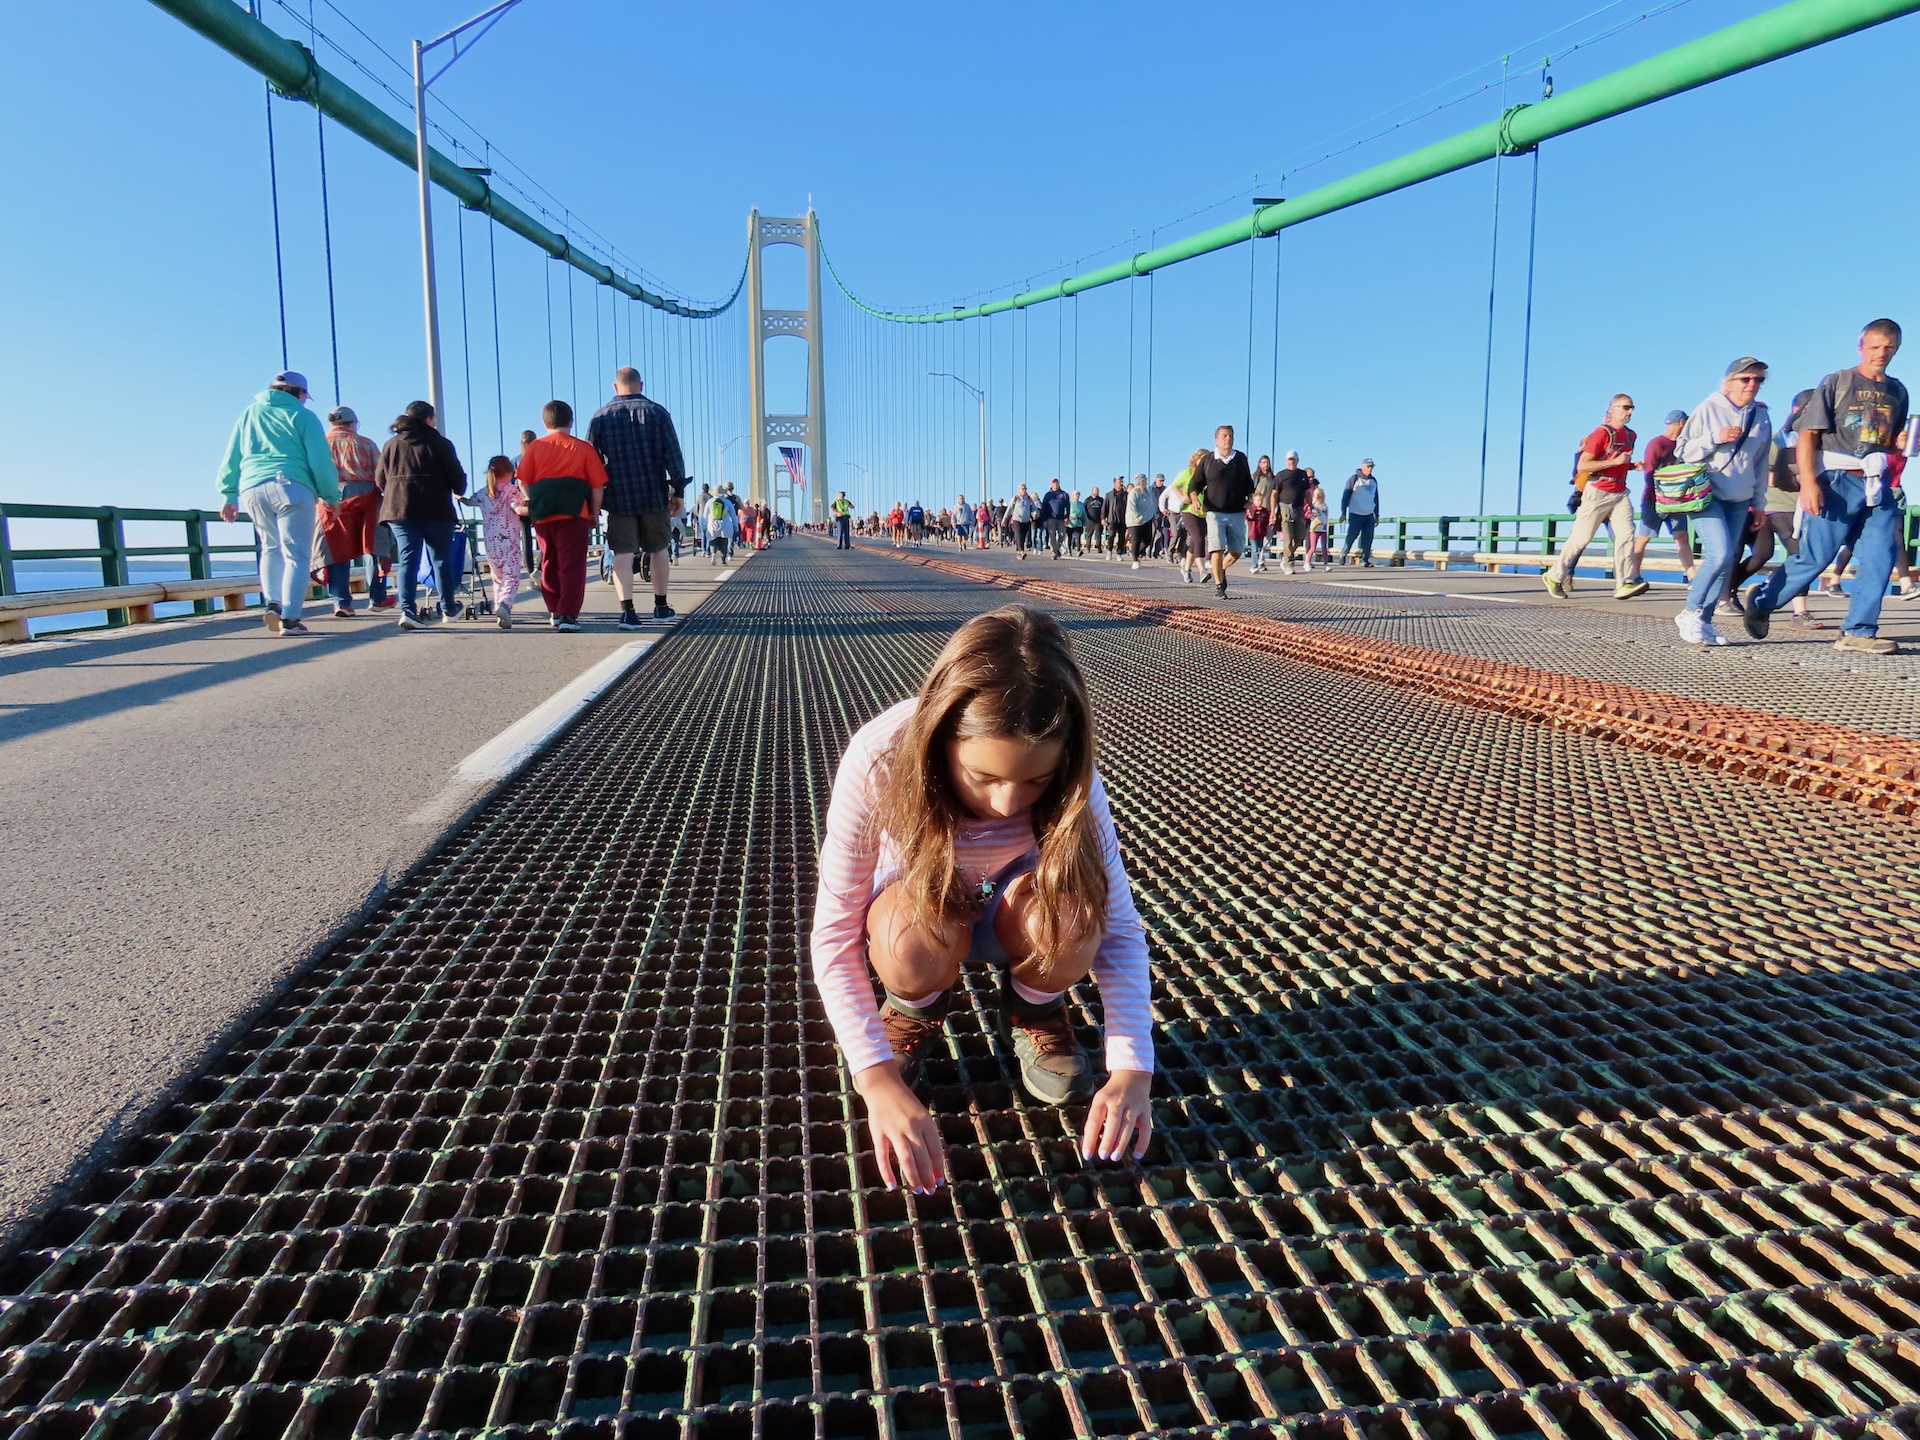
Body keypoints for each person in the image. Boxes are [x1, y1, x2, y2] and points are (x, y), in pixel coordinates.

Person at [810, 606, 1154, 1189]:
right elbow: (834, 934)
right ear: (941, 735)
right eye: (983, 777)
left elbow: (1119, 930)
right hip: (925, 919)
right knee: (908, 943)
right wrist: (876, 1082)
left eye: (1035, 782)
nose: (1005, 803)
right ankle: (916, 1007)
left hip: (1019, 915)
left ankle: (1034, 1005)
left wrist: (1132, 1074)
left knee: (1074, 917)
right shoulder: (880, 759)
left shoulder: (1078, 780)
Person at [1745, 320, 1909, 653]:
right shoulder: (1838, 381)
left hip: (1877, 486)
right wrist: (1809, 483)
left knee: (1880, 557)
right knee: (1814, 558)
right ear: (1861, 347)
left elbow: (1888, 443)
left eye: (1888, 347)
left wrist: (1900, 442)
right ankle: (1763, 601)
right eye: (1874, 346)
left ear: (1896, 349)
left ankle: (1858, 632)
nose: (1881, 353)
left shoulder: (1898, 391)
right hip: (1837, 481)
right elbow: (1809, 435)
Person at [216, 370, 340, 636]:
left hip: (253, 488)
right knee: (296, 555)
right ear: (300, 393)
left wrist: (228, 494)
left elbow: (232, 454)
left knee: (270, 548)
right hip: (292, 486)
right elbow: (320, 460)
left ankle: (273, 601)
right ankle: (291, 619)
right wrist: (330, 496)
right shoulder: (303, 416)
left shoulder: (249, 413)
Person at [1669, 359, 1771, 646]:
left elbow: (1761, 463)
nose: (1752, 385)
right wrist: (1716, 437)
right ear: (1730, 382)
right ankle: (1689, 612)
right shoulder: (1708, 408)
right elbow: (1684, 450)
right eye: (1745, 379)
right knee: (1720, 552)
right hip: (1707, 493)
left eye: (1758, 380)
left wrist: (1760, 502)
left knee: (1727, 560)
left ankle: (1705, 620)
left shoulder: (1761, 416)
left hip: (1740, 497)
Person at [586, 370, 687, 626]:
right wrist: (678, 492)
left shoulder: (600, 417)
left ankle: (628, 612)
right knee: (659, 549)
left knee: (622, 553)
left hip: (619, 498)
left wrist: (594, 503)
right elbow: (673, 456)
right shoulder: (658, 413)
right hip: (654, 494)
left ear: (614, 386)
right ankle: (661, 607)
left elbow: (591, 464)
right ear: (641, 385)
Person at [375, 400, 469, 631]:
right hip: (436, 510)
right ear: (429, 419)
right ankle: (449, 607)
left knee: (408, 559)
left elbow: (379, 480)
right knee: (440, 559)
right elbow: (458, 483)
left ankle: (408, 610)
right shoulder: (440, 443)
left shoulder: (391, 444)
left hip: (399, 509)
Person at [518, 400, 608, 632]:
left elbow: (522, 481)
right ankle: (568, 614)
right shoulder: (584, 448)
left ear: (544, 422)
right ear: (571, 420)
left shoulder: (535, 448)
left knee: (549, 561)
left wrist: (534, 500)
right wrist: (595, 513)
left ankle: (554, 610)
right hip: (574, 511)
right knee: (572, 564)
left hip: (544, 514)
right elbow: (597, 486)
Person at [1544, 398, 1645, 598]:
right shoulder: (1601, 433)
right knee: (1581, 538)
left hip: (1620, 492)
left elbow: (1620, 463)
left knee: (1626, 535)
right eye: (1626, 407)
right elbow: (1583, 465)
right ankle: (1554, 575)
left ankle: (1623, 584)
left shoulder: (1632, 435)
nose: (1630, 412)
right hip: (1597, 491)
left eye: (1632, 408)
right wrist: (1616, 461)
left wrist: (1633, 466)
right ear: (1613, 409)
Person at [324, 405, 389, 612]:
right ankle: (377, 598)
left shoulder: (321, 444)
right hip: (366, 495)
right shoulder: (366, 443)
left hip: (330, 495)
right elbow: (382, 475)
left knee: (337, 547)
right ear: (353, 423)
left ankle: (341, 602)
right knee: (373, 546)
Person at [1632, 410, 1695, 586]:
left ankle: (1692, 576)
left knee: (1681, 536)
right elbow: (1649, 472)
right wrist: (1658, 495)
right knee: (1644, 537)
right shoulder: (1657, 443)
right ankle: (1634, 574)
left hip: (1677, 500)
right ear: (1682, 423)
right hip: (1654, 500)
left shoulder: (1685, 445)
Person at [1193, 425, 1255, 597]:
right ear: (1216, 439)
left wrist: (1250, 502)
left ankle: (1219, 569)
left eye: (1230, 436)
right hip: (1214, 512)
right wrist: (1194, 500)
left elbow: (1248, 485)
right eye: (1224, 436)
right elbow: (1194, 484)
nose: (1228, 439)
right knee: (1217, 548)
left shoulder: (1240, 458)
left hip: (1236, 511)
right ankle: (1219, 586)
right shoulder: (1208, 460)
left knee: (1236, 551)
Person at [478, 456, 527, 630]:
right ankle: (505, 606)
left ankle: (499, 607)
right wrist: (535, 508)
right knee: (511, 576)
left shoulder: (484, 493)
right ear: (508, 473)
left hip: (490, 544)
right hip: (509, 540)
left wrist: (459, 498)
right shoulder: (511, 490)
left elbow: (470, 501)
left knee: (497, 577)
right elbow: (518, 508)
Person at [1339, 458, 1383, 567]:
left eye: (1371, 467)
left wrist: (1376, 514)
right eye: (1368, 466)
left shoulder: (1373, 481)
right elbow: (1345, 496)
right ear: (1363, 466)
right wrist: (1343, 512)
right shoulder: (1354, 479)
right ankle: (1343, 554)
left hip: (1369, 514)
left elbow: (1376, 498)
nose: (1370, 469)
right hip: (1355, 513)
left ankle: (1365, 559)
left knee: (1368, 537)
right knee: (1352, 535)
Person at [1271, 451, 1310, 573]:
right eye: (1289, 459)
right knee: (1288, 537)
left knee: (1300, 536)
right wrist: (1273, 511)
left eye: (1293, 459)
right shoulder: (1281, 475)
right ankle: (1288, 564)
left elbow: (1307, 492)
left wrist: (1311, 506)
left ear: (1297, 460)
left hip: (1298, 508)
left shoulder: (1302, 474)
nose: (1291, 461)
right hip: (1284, 507)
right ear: (1286, 460)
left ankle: (1286, 556)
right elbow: (1274, 493)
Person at [1040, 478, 1071, 558]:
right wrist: (1044, 519)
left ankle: (1057, 549)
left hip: (1061, 519)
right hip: (1051, 518)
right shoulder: (1048, 495)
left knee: (1062, 535)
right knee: (1052, 535)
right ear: (1051, 484)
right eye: (1053, 483)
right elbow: (1044, 507)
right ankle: (1054, 551)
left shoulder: (1063, 494)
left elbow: (1067, 506)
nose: (1055, 485)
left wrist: (1067, 517)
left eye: (1056, 483)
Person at [1305, 472, 1329, 568]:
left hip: (1322, 529)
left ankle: (1326, 564)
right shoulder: (1314, 505)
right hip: (1314, 529)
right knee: (1313, 547)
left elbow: (1326, 517)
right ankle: (1307, 562)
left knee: (1324, 548)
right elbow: (1312, 515)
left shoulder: (1325, 506)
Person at [1009, 484, 1036, 557]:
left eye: (1025, 489)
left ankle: (1019, 550)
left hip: (1026, 520)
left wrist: (1034, 513)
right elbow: (1009, 509)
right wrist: (1005, 519)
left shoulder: (1029, 499)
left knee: (1023, 536)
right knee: (1018, 534)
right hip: (1016, 519)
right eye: (1022, 489)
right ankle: (1021, 551)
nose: (1024, 490)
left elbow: (1033, 508)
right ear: (1019, 490)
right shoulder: (1015, 498)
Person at [1106, 477, 1128, 560]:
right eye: (1120, 482)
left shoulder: (1125, 494)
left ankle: (1119, 553)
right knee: (1111, 535)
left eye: (1122, 481)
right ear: (1115, 483)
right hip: (1112, 518)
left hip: (1122, 519)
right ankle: (1109, 551)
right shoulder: (1109, 494)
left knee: (1122, 537)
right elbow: (1105, 506)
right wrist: (1103, 518)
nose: (1121, 483)